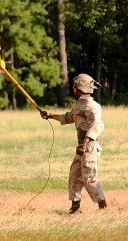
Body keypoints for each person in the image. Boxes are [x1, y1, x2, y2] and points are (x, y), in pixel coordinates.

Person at [41, 73, 108, 214]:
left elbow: (95, 126)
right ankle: (75, 207)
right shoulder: (79, 105)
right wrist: (50, 116)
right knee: (74, 175)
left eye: (74, 87)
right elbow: (69, 117)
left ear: (78, 88)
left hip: (89, 146)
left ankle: (103, 206)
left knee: (89, 177)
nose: (73, 89)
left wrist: (84, 143)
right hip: (81, 148)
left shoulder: (92, 106)